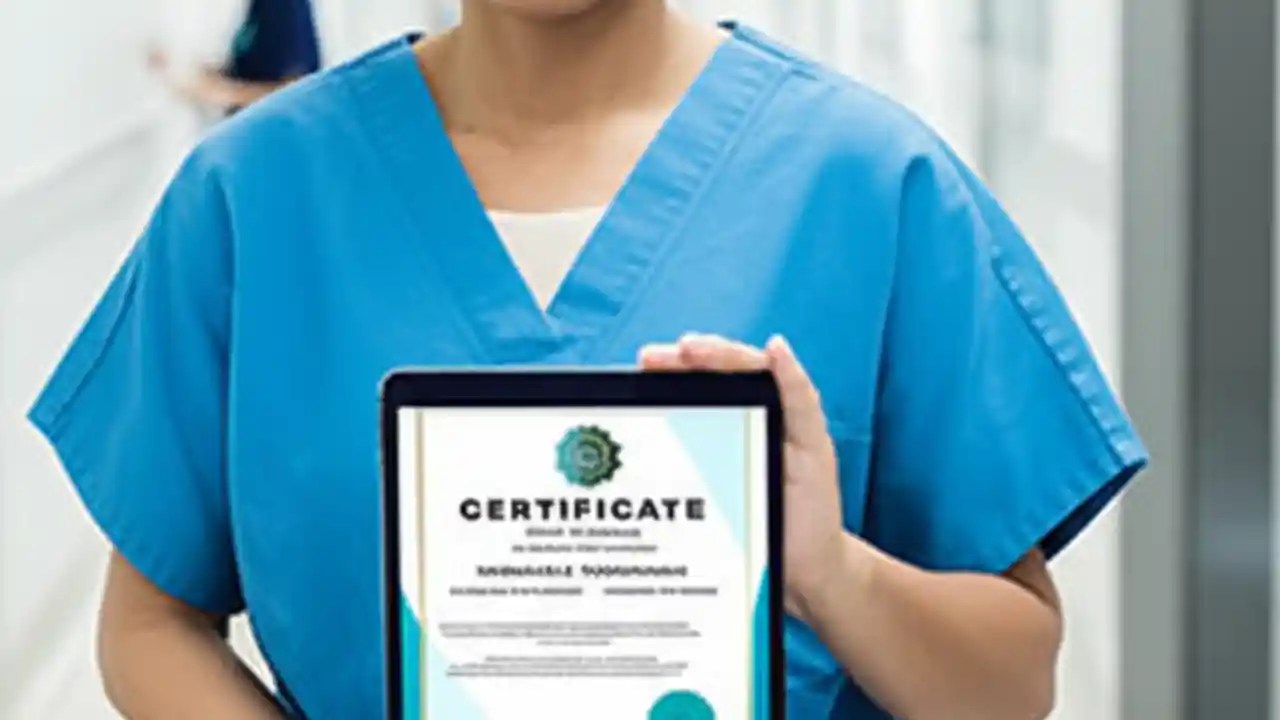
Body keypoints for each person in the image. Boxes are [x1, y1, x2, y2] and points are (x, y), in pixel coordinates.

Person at [28, 1, 1147, 718]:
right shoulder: (254, 195)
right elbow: (149, 619)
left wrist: (830, 573)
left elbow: (1009, 685)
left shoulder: (865, 182)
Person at [150, 0, 322, 115]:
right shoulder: (249, 8)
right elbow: (252, 68)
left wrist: (220, 92)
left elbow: (300, 95)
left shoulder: (284, 6)